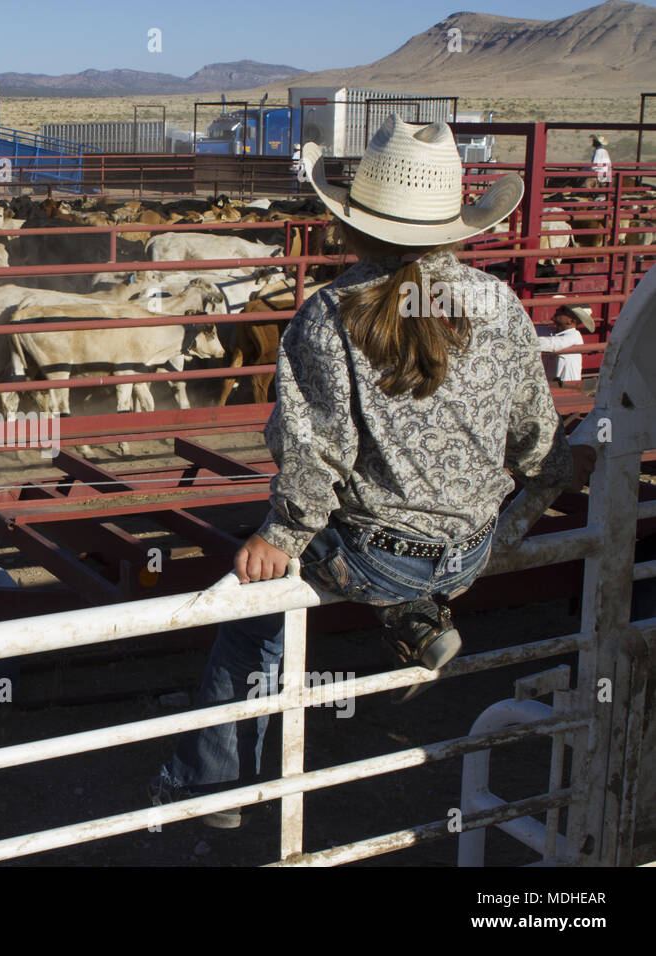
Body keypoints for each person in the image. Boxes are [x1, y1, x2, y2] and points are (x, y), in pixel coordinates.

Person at [149, 114, 595, 828]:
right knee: (398, 530)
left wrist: (281, 538)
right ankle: (417, 616)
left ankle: (210, 788)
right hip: (472, 550)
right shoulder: (499, 305)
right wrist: (543, 492)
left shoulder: (329, 314)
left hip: (373, 557)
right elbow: (536, 440)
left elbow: (313, 454)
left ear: (351, 225)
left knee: (253, 606)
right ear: (455, 223)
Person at [538, 295, 595, 387]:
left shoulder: (574, 336)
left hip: (565, 387)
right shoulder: (551, 331)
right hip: (553, 385)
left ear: (571, 321)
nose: (557, 310)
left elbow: (551, 344)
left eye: (563, 310)